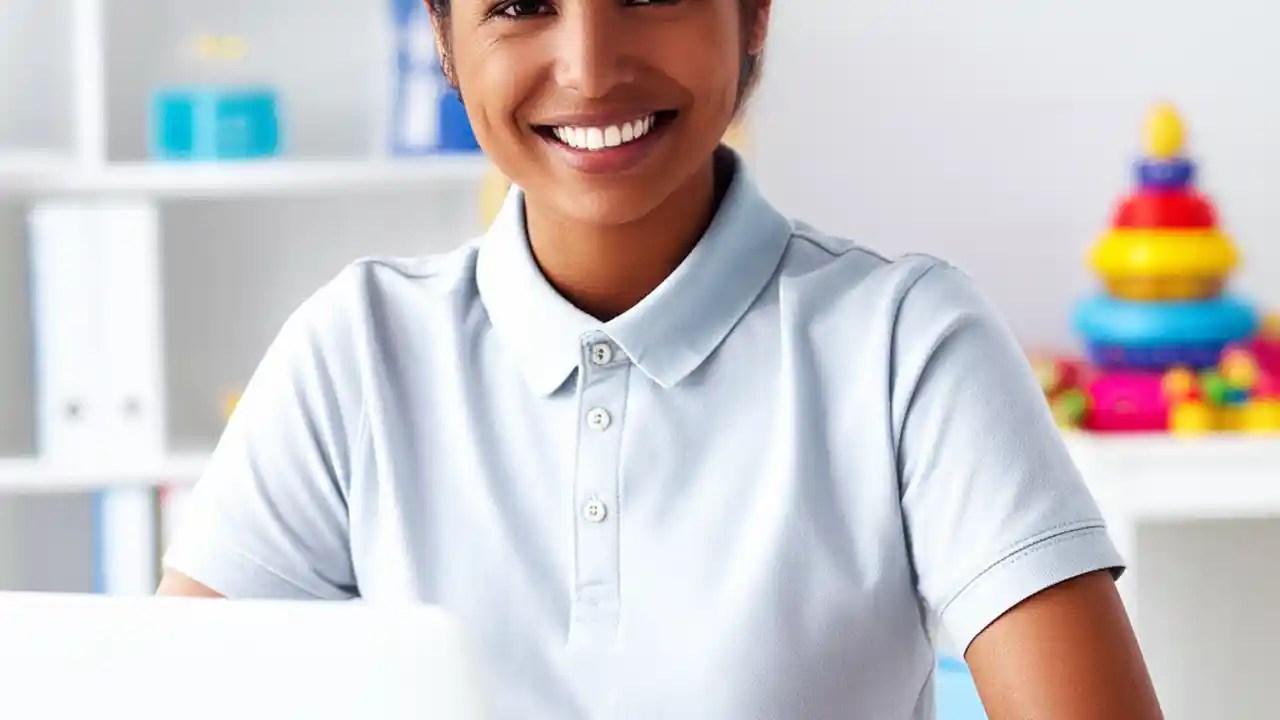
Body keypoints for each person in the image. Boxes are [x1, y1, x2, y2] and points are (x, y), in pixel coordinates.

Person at [159, 0, 1163, 717]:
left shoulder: (906, 344)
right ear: (443, 40)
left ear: (753, 14)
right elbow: (166, 694)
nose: (590, 66)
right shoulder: (354, 354)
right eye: (520, 6)